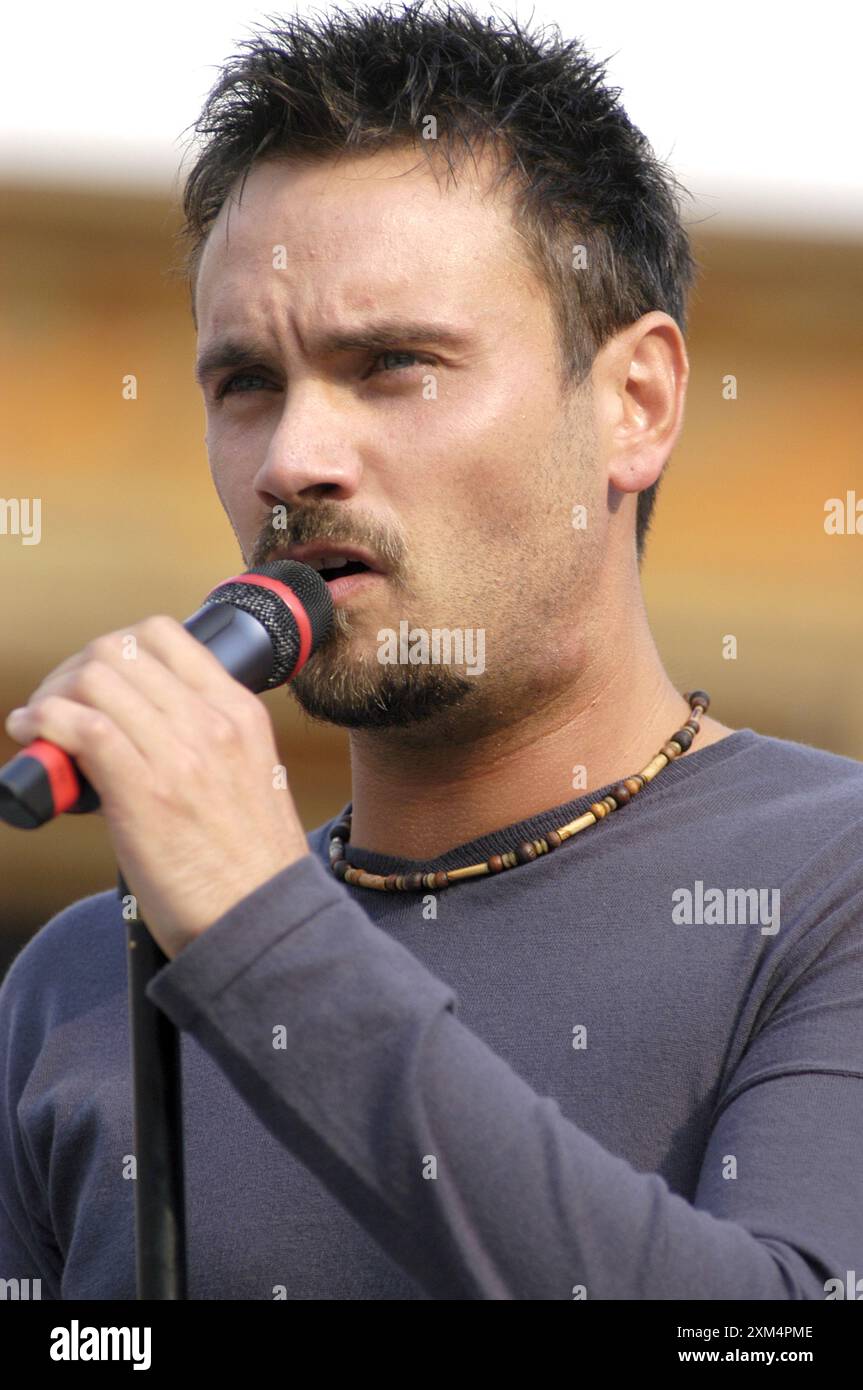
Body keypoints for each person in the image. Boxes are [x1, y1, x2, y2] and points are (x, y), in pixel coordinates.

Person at [1, 2, 861, 1301]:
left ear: (634, 404)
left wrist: (260, 937)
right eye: (245, 382)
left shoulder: (829, 884)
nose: (294, 459)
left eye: (394, 364)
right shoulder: (76, 982)